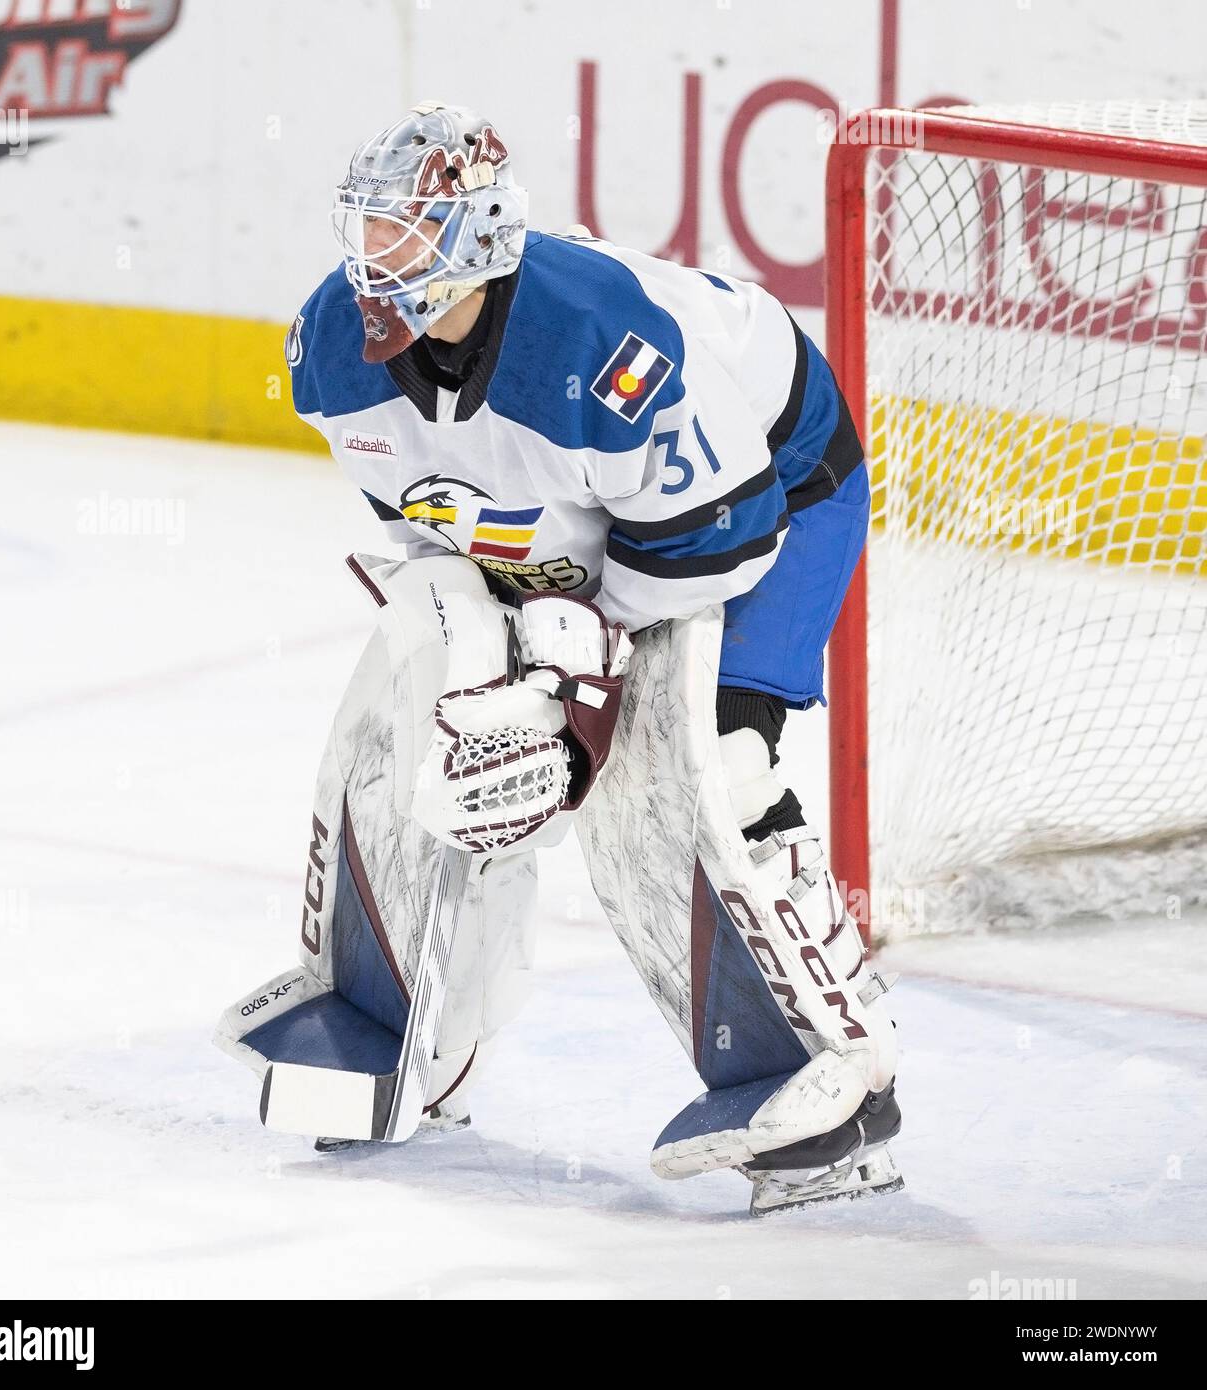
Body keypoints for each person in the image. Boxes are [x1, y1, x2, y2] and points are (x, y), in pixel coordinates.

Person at [274, 100, 900, 1214]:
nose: (376, 263)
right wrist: (484, 649)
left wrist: (581, 678)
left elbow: (724, 537)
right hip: (577, 530)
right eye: (369, 232)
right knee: (419, 722)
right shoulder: (330, 344)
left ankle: (833, 1083)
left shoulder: (611, 349)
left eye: (408, 235)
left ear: (481, 237)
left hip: (773, 501)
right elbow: (427, 527)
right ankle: (411, 1030)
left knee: (694, 772)